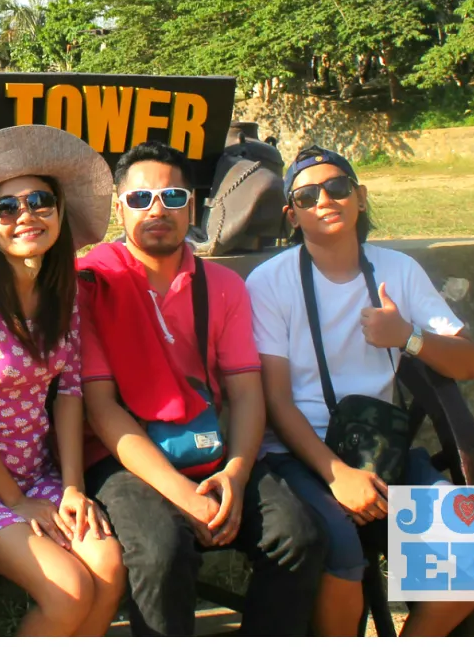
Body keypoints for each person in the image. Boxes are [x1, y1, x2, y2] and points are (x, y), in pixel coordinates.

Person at [79, 140, 326, 636]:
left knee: (297, 535)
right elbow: (102, 409)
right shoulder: (92, 285)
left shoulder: (221, 286)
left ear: (192, 206)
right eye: (140, 199)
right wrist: (185, 497)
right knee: (160, 550)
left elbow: (246, 392)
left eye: (173, 198)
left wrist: (235, 474)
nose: (157, 210)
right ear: (118, 208)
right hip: (122, 451)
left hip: (206, 443)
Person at [249, 145, 474, 636]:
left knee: (468, 557)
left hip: (380, 447)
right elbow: (274, 400)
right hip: (300, 449)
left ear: (360, 196)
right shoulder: (271, 282)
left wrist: (408, 337)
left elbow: (468, 363)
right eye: (307, 195)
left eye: (337, 188)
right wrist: (337, 475)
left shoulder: (396, 270)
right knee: (343, 556)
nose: (325, 201)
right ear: (292, 215)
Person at [0, 125, 126, 637]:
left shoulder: (64, 292)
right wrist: (15, 501)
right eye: (6, 208)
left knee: (107, 568)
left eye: (39, 200)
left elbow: (71, 392)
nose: (26, 216)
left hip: (39, 475)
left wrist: (74, 488)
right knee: (70, 591)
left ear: (59, 210)